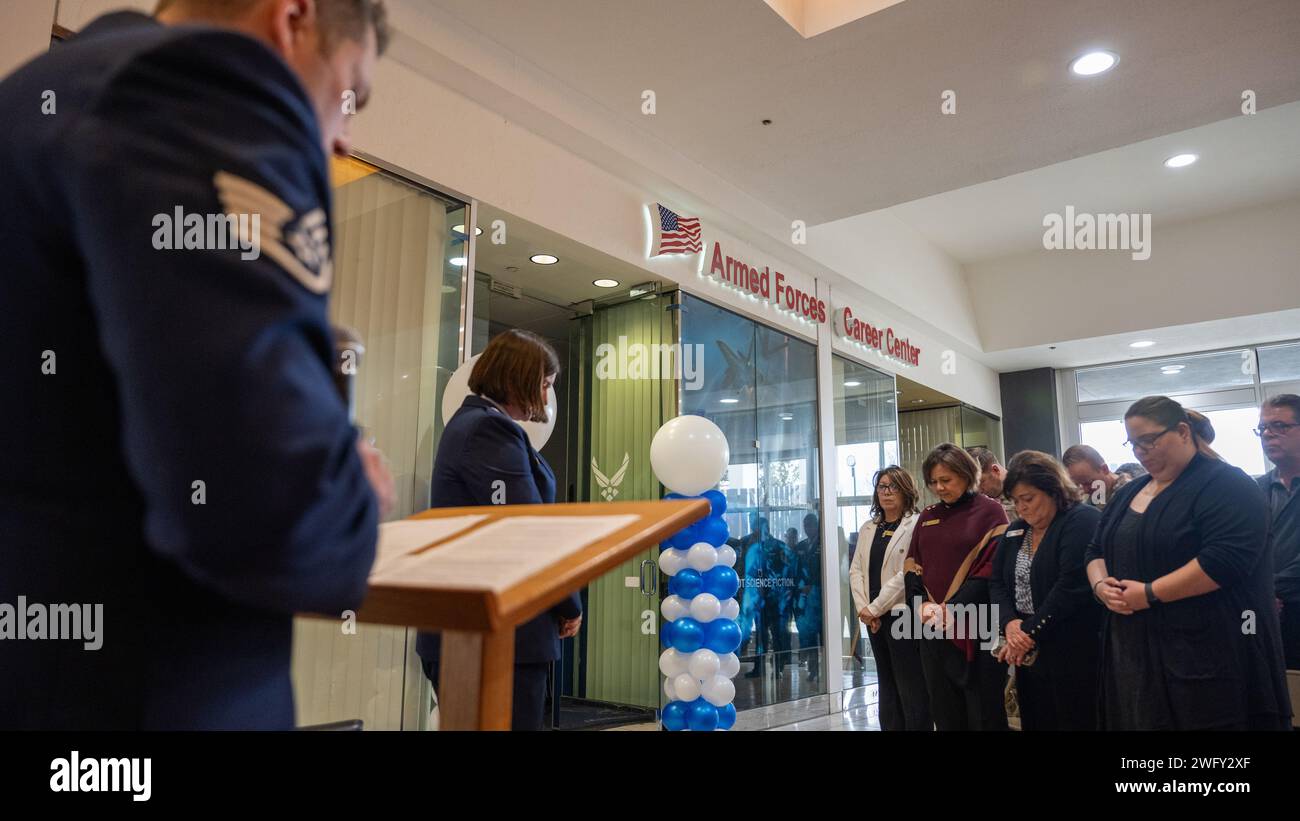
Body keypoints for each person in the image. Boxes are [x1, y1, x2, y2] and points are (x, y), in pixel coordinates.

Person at [0, 0, 394, 730]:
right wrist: (355, 495)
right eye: (351, 95)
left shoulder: (31, 100)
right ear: (293, 17)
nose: (343, 141)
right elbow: (272, 510)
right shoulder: (203, 91)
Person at [1086, 396, 1291, 730]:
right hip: (1133, 657)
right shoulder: (1128, 492)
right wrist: (1100, 585)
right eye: (1134, 443)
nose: (1141, 452)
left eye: (1149, 441)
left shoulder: (1228, 484)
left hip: (1208, 655)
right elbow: (1095, 549)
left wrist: (1150, 593)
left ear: (1182, 432)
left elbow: (1225, 560)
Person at [415, 330, 581, 730]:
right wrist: (568, 603)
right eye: (544, 385)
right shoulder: (488, 429)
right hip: (495, 637)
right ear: (517, 376)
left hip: (487, 636)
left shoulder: (475, 425)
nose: (545, 399)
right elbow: (524, 526)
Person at [988, 451, 1103, 730]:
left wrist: (1027, 631)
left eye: (1028, 499)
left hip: (1072, 647)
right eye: (1015, 501)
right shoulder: (1016, 530)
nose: (1021, 508)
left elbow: (1071, 586)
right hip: (1027, 648)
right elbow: (996, 582)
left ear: (1053, 489)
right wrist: (1010, 624)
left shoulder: (1081, 520)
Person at [904, 443, 1010, 730]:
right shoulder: (927, 516)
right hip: (931, 627)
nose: (939, 487)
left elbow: (990, 570)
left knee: (984, 711)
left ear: (966, 475)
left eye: (946, 480)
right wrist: (920, 606)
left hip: (978, 625)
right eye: (933, 482)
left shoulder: (992, 512)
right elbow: (912, 567)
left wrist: (950, 608)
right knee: (944, 710)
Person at [849, 466, 930, 730]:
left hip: (900, 613)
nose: (886, 492)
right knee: (885, 680)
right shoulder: (868, 527)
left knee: (910, 683)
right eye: (882, 487)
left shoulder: (916, 524)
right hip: (873, 618)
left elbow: (904, 574)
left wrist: (874, 607)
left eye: (893, 486)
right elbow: (856, 570)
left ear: (906, 491)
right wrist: (864, 609)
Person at [1256, 394, 1300, 668]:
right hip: (1265, 615)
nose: (1268, 435)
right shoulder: (1254, 489)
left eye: (1279, 426)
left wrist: (1270, 590)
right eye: (1262, 428)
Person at [793, 512, 823, 682]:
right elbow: (796, 568)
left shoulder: (823, 543)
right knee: (809, 635)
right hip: (804, 595)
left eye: (810, 525)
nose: (808, 529)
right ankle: (813, 669)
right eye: (805, 526)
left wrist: (813, 585)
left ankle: (825, 670)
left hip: (820, 594)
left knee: (821, 633)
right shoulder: (802, 546)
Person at [1062, 444, 1129, 509]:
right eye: (1078, 484)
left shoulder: (1127, 494)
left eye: (1088, 483)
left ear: (1104, 469)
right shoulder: (1091, 495)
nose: (1085, 490)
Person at [967, 446, 1016, 521]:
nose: (979, 490)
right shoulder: (983, 502)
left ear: (995, 470)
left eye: (981, 482)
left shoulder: (1024, 492)